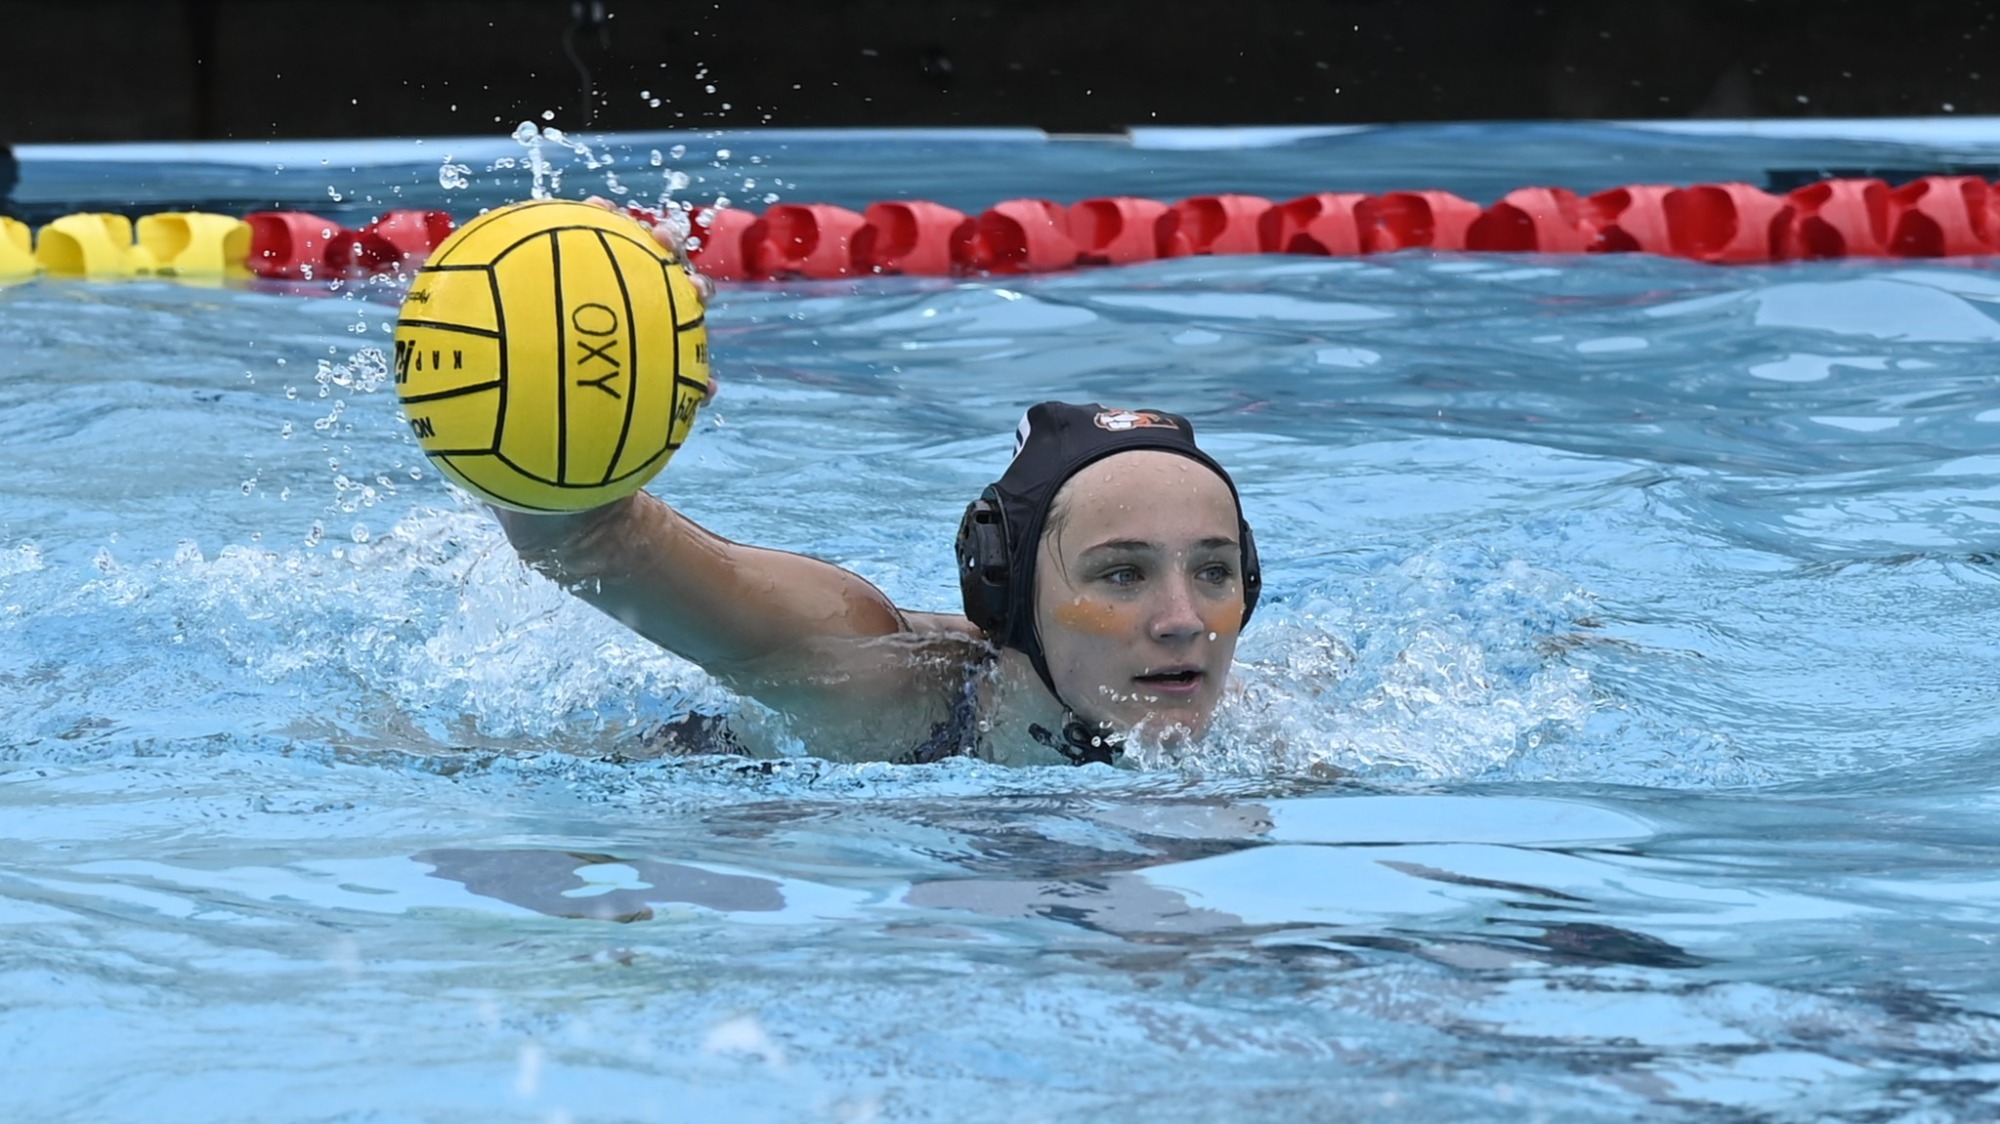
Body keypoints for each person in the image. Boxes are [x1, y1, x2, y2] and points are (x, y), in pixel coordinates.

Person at [492, 211, 1262, 766]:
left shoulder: (1271, 725)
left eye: (1213, 571)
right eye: (1122, 573)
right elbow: (581, 535)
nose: (1182, 621)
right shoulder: (873, 679)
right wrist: (562, 337)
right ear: (1002, 595)